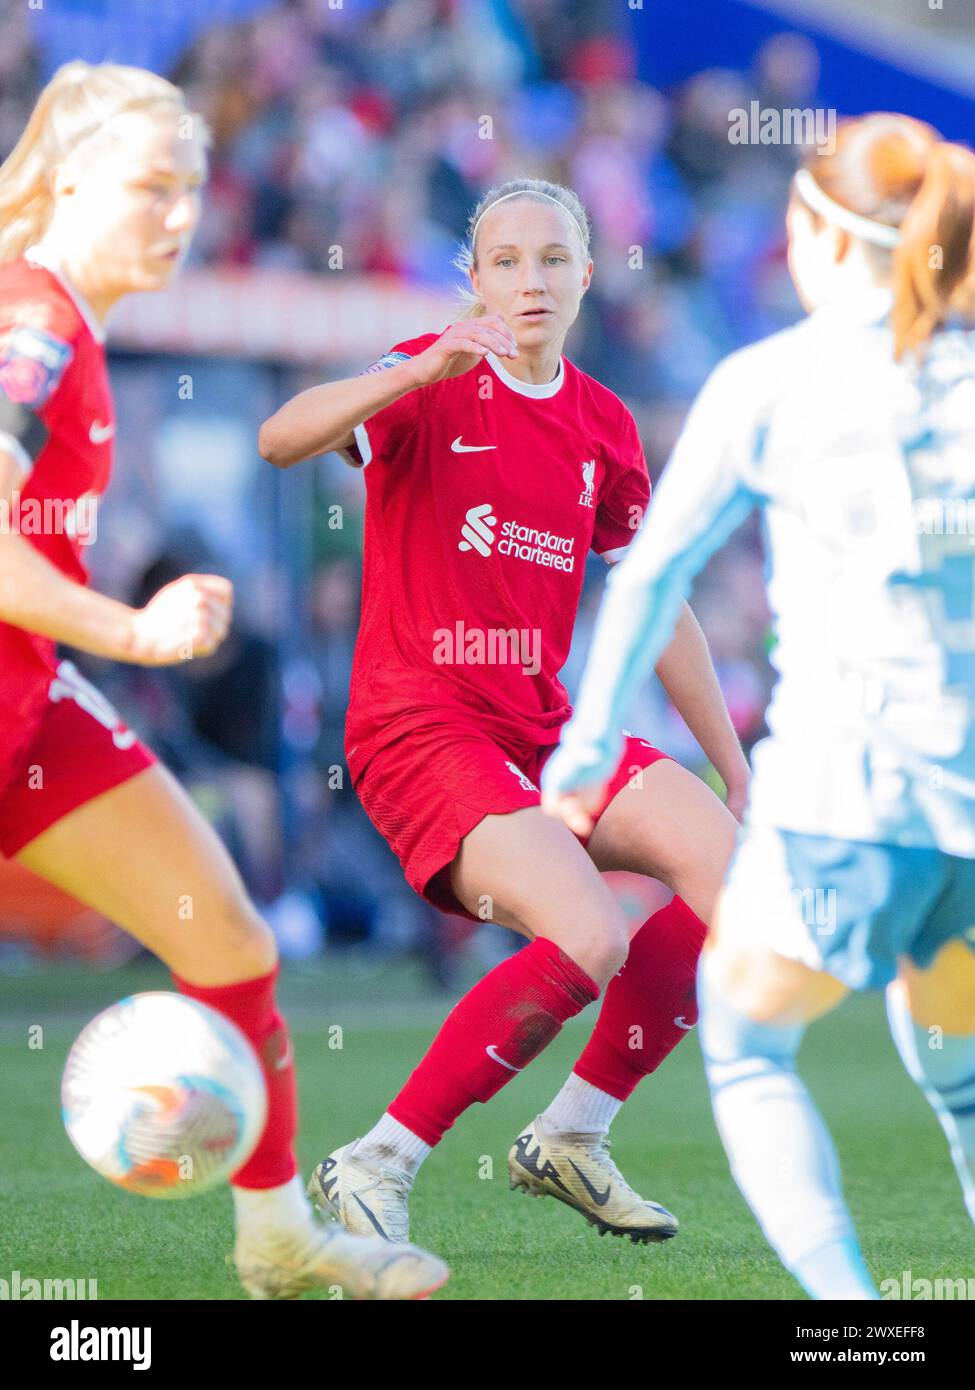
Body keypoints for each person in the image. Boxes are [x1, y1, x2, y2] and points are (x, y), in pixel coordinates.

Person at [0, 60, 447, 1301]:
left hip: (25, 709)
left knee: (231, 940)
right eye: (152, 187)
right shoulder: (32, 324)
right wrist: (134, 632)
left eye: (193, 187)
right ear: (71, 180)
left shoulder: (65, 320)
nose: (181, 214)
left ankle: (278, 1241)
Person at [260, 178, 747, 1243]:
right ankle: (374, 1161)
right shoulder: (428, 373)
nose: (531, 279)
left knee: (742, 882)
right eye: (507, 260)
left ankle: (573, 1133)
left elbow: (656, 605)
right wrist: (414, 368)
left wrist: (733, 765)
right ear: (473, 280)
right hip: (419, 724)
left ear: (586, 274)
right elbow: (280, 439)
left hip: (540, 729)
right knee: (585, 931)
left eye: (553, 259)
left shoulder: (604, 424)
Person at [541, 114, 975, 1299]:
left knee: (749, 1043)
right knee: (960, 1071)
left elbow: (650, 571)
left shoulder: (772, 380)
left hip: (847, 796)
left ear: (816, 237)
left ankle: (852, 1322)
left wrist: (584, 748)